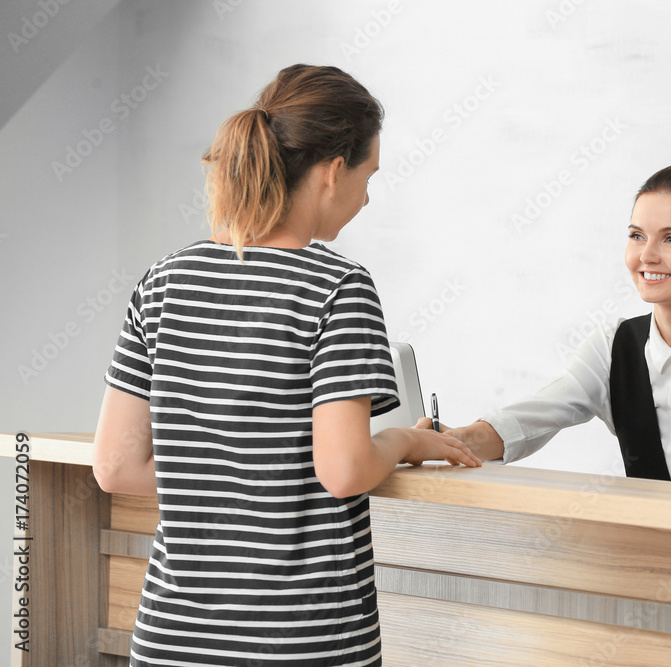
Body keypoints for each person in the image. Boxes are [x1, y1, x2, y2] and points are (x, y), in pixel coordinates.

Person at [92, 64, 480, 667]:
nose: (368, 195)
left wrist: (233, 488)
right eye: (368, 174)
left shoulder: (164, 280)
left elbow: (116, 467)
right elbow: (345, 470)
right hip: (304, 641)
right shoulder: (337, 286)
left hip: (173, 636)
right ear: (331, 172)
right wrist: (403, 439)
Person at [430, 163, 671, 483]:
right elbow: (530, 419)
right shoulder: (612, 347)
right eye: (637, 236)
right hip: (643, 566)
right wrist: (451, 440)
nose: (646, 256)